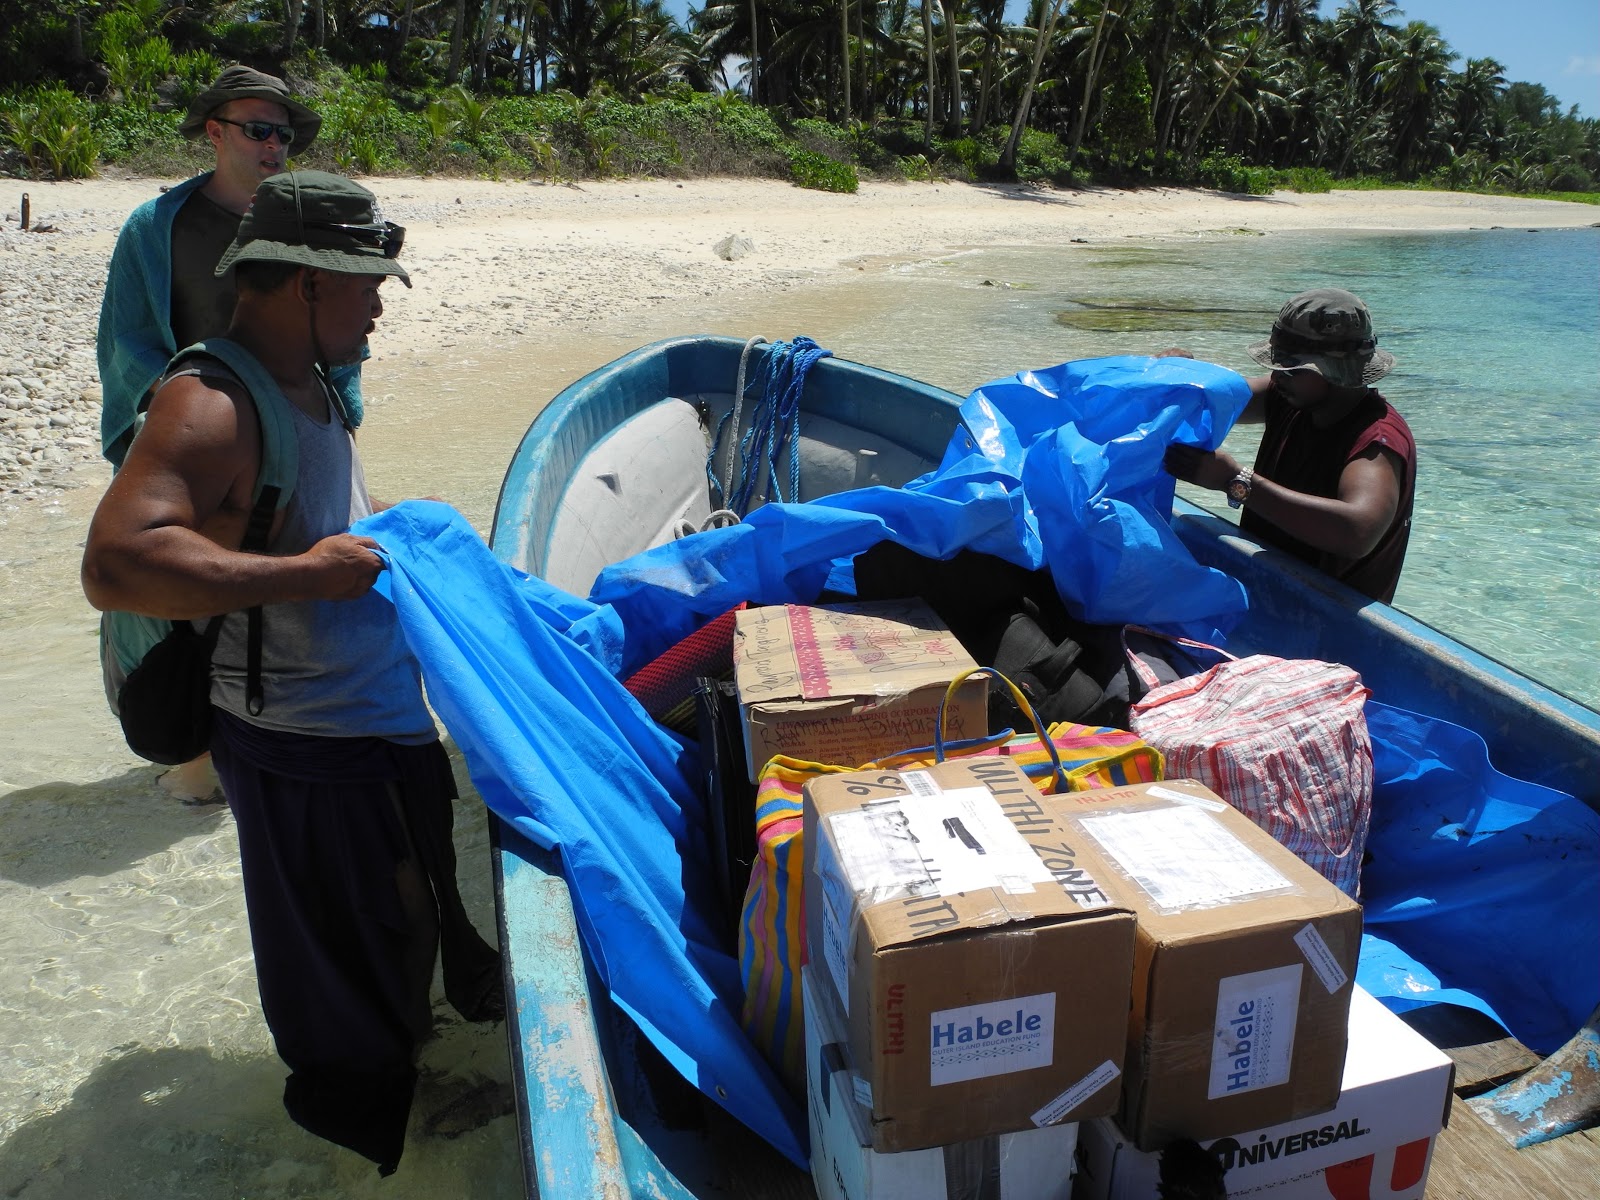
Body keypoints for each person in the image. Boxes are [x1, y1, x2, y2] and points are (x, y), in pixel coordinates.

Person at [81, 170, 501, 1175]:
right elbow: (116, 563)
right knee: (341, 956)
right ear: (305, 281)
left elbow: (312, 516)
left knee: (401, 918)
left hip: (367, 727)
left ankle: (404, 1091)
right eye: (366, 286)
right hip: (302, 744)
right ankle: (354, 1140)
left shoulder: (307, 382)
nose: (378, 308)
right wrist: (305, 574)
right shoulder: (210, 401)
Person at [95, 65, 362, 803]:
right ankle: (191, 752)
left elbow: (341, 331)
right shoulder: (157, 228)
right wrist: (181, 414)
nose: (275, 146)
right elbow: (127, 339)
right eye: (259, 130)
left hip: (292, 433)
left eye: (284, 133)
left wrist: (337, 423)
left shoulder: (302, 218)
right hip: (199, 437)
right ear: (215, 132)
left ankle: (263, 746)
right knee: (184, 599)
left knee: (288, 597)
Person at [1163, 288, 1416, 604]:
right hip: (1272, 594)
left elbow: (1358, 531)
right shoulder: (1289, 396)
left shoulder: (1377, 441)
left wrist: (1235, 481)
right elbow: (1217, 400)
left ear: (1335, 373)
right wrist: (1184, 377)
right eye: (1277, 365)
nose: (1277, 376)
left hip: (1330, 623)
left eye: (1292, 368)